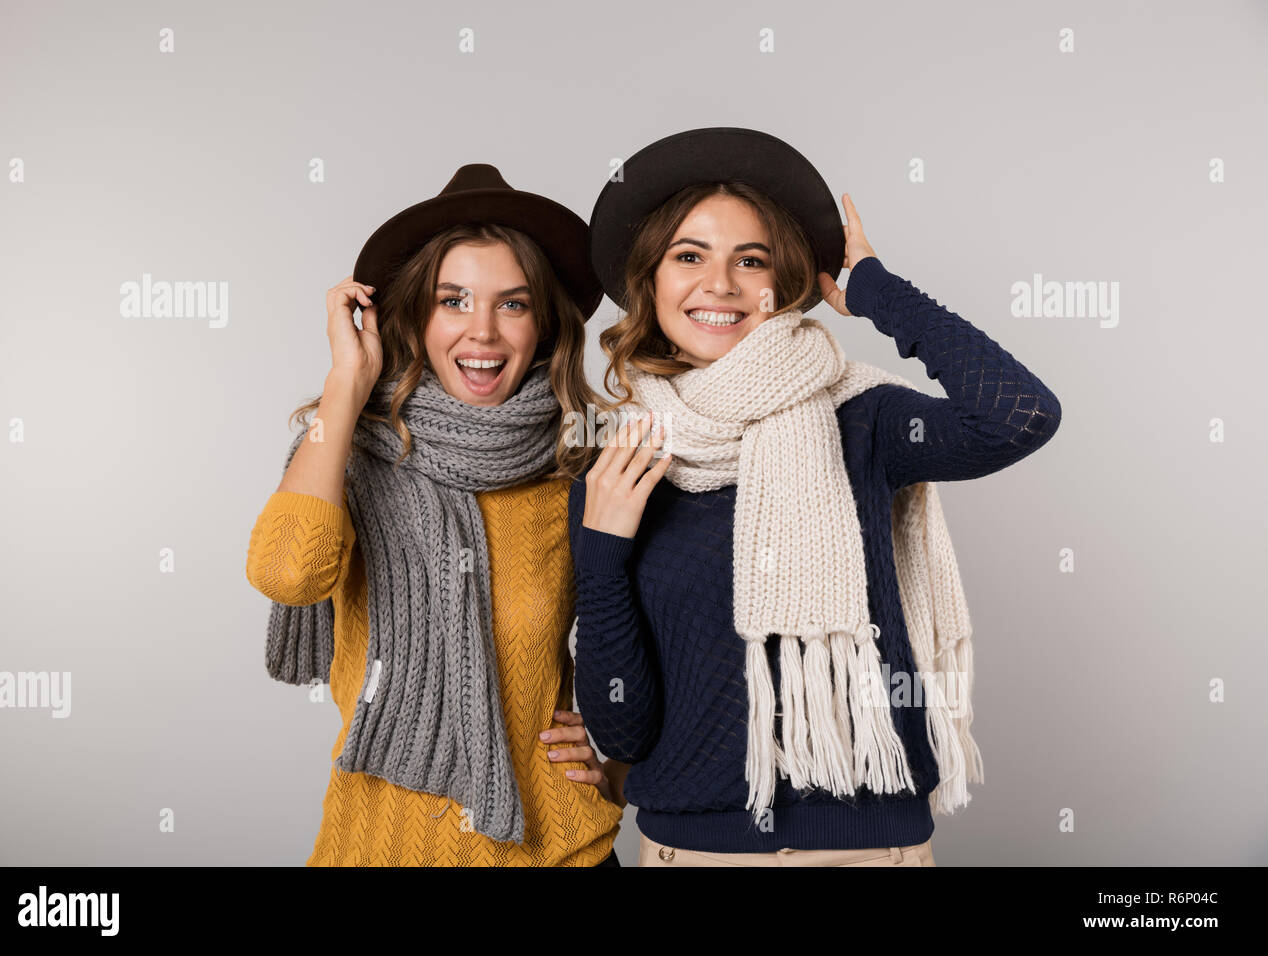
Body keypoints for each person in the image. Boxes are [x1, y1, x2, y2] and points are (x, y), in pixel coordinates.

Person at [569, 127, 1063, 866]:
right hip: (698, 853)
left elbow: (1020, 415)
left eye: (752, 260)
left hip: (869, 848)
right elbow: (625, 733)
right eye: (689, 256)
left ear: (784, 283)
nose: (722, 284)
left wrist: (877, 291)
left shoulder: (858, 419)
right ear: (651, 280)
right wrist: (602, 554)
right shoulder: (620, 464)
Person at [246, 164, 624, 866]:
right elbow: (288, 574)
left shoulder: (582, 461)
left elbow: (669, 633)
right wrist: (345, 386)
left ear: (543, 323)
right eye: (454, 300)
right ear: (416, 315)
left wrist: (624, 761)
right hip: (379, 849)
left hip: (557, 850)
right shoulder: (347, 452)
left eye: (512, 304)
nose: (482, 332)